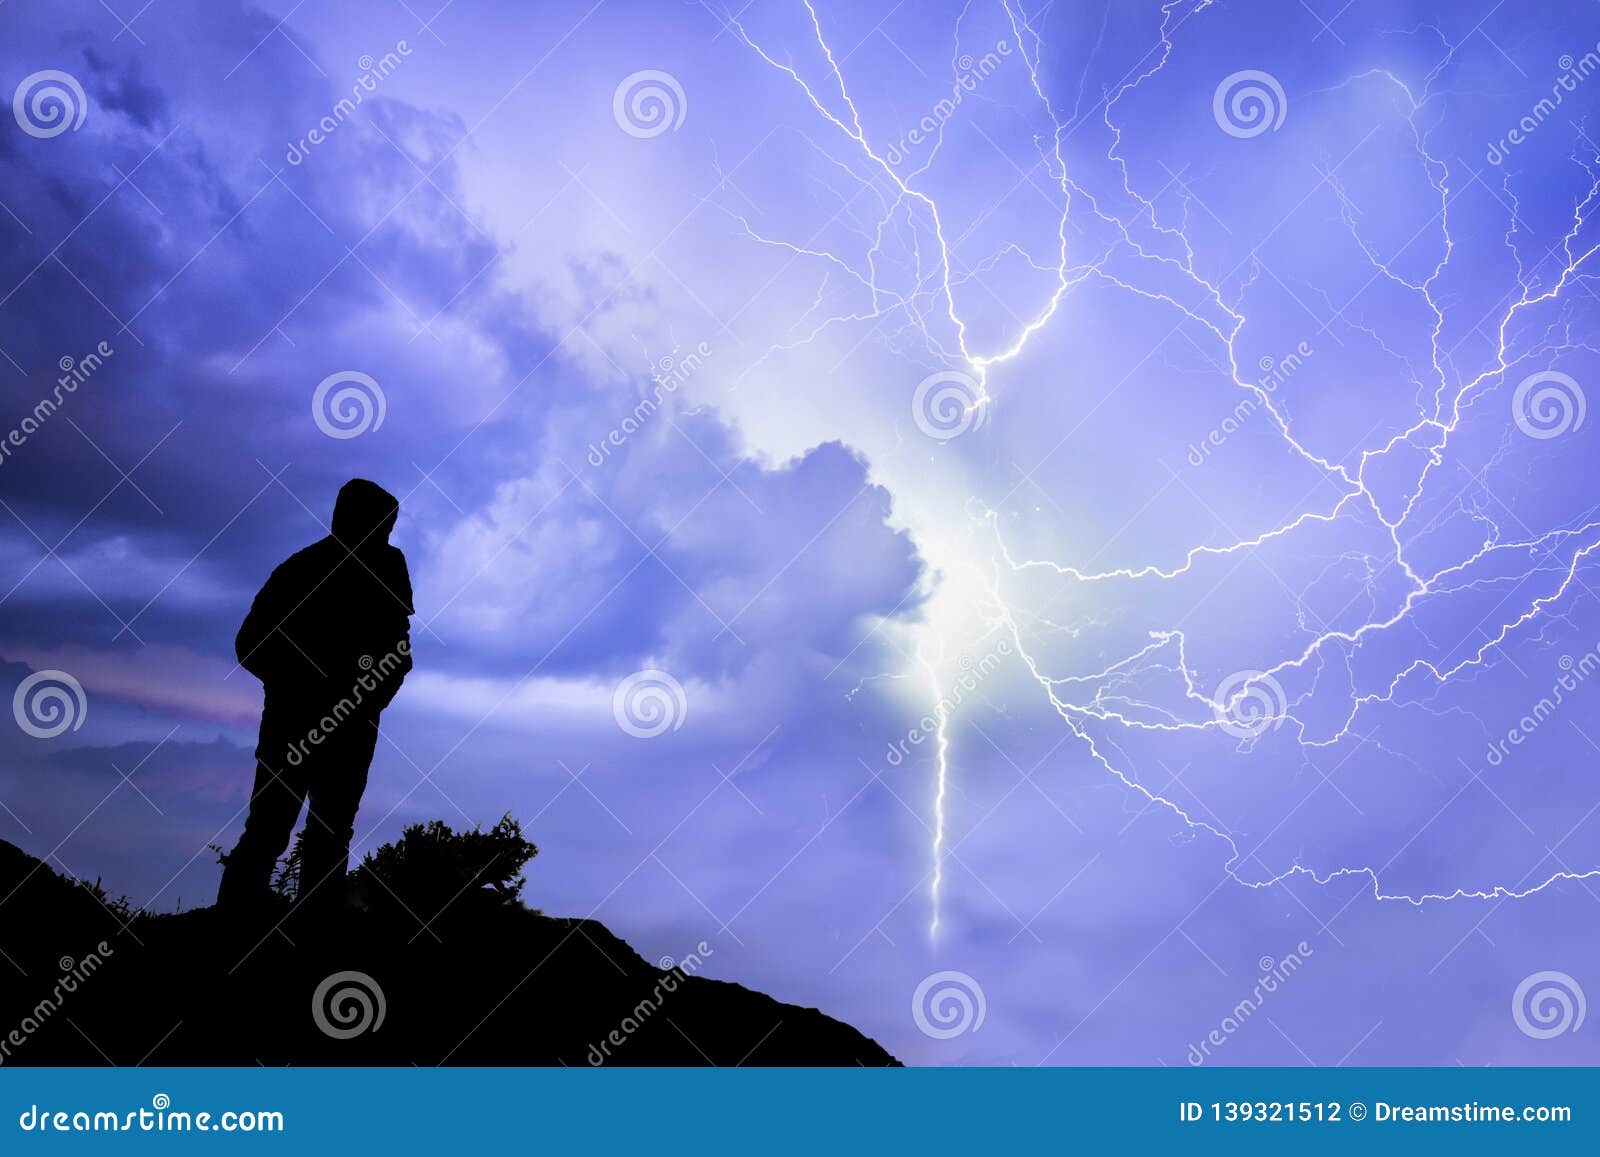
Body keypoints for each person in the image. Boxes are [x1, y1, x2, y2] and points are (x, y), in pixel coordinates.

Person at [217, 478, 413, 914]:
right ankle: (233, 926)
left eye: (388, 526)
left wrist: (367, 698)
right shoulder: (300, 571)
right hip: (293, 724)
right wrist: (303, 683)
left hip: (352, 726)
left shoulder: (388, 571)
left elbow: (399, 651)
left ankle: (315, 932)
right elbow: (251, 644)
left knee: (330, 830)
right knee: (270, 827)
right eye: (378, 524)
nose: (384, 535)